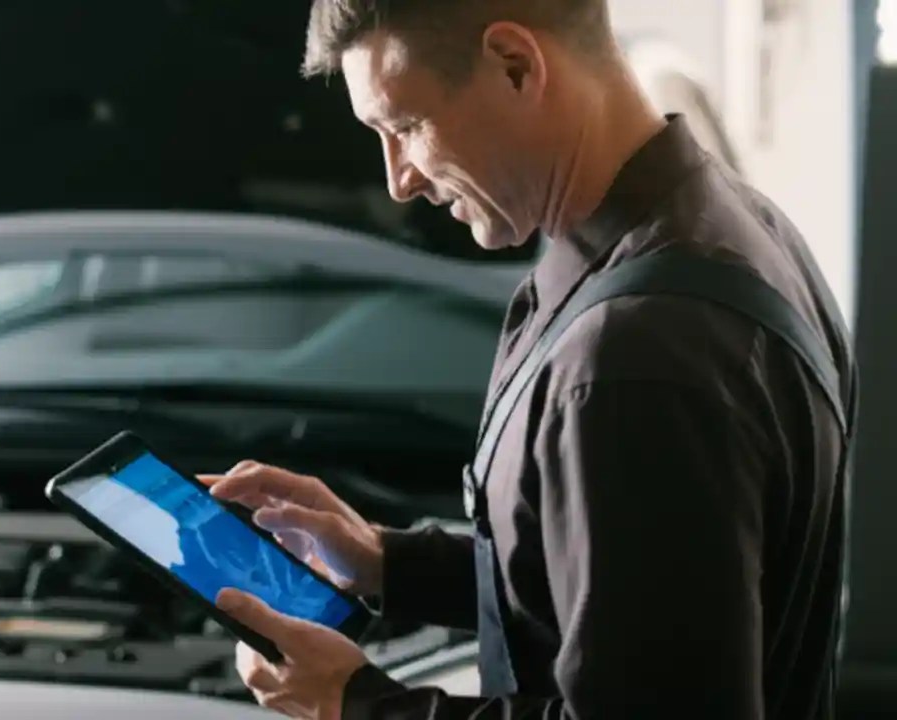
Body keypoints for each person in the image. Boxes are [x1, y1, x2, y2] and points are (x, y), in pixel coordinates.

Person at [197, 1, 857, 718]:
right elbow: (623, 592)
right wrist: (389, 563)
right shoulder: (747, 231)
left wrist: (355, 702)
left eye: (407, 126)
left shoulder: (637, 357)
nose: (398, 180)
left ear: (515, 66)